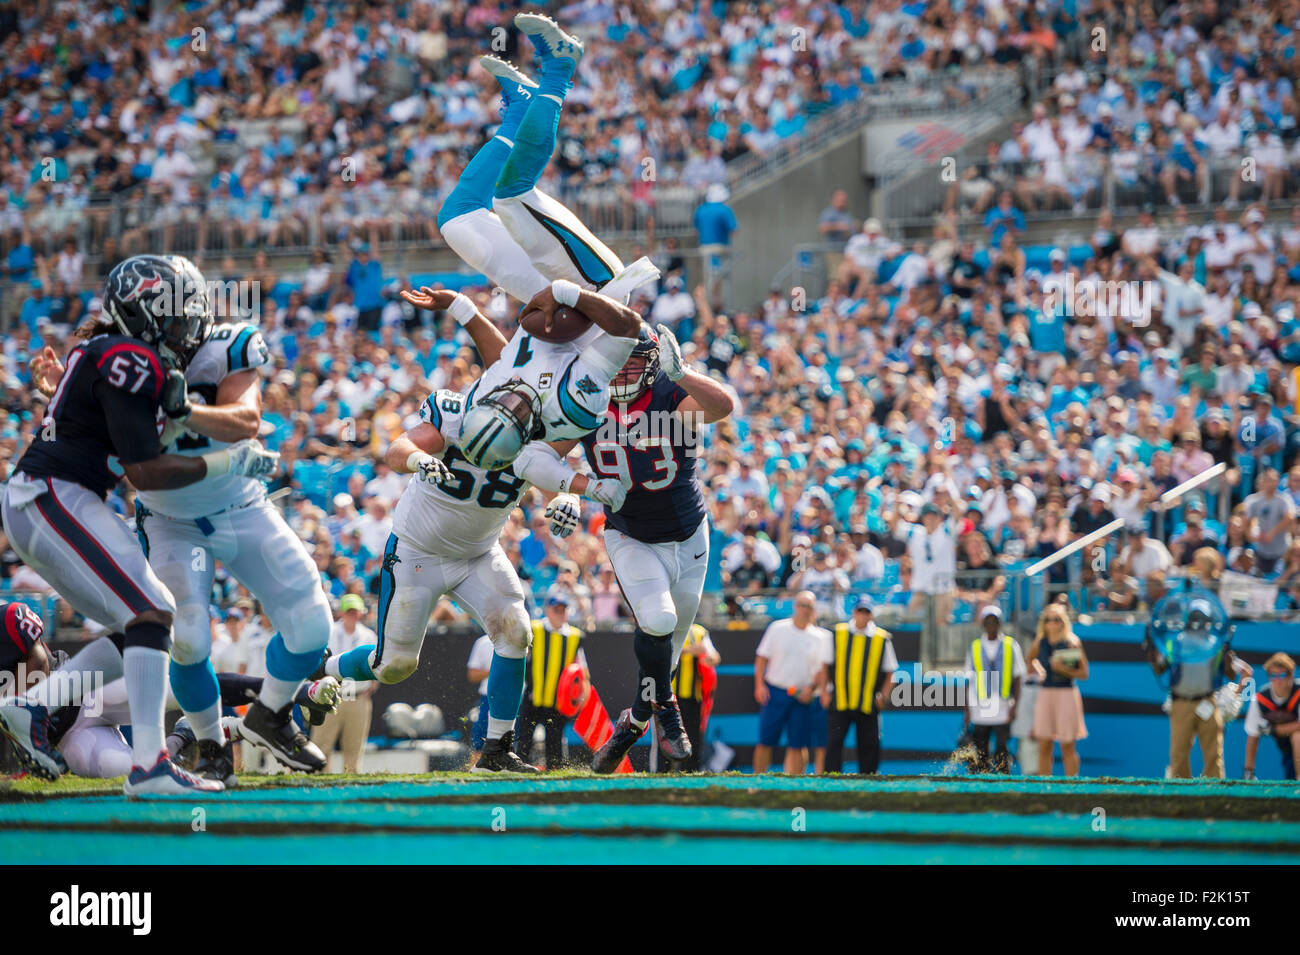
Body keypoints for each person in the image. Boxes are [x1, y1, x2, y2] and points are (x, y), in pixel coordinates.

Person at [0, 255, 275, 796]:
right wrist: (228, 463)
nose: (189, 324)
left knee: (140, 626)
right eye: (177, 312)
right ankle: (147, 766)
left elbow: (95, 423)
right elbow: (144, 471)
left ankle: (35, 706)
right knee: (154, 611)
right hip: (53, 496)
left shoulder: (114, 352)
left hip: (52, 498)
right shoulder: (129, 356)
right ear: (145, 313)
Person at [35, 307, 333, 782]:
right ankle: (212, 744)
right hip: (170, 519)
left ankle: (269, 714)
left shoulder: (225, 346)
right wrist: (69, 393)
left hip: (240, 503)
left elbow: (246, 419)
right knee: (188, 637)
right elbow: (112, 443)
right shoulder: (124, 360)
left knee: (313, 623)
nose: (170, 332)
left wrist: (185, 409)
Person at [512, 323, 737, 773]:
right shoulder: (588, 403)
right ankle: (666, 717)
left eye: (633, 360)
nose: (621, 370)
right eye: (616, 359)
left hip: (691, 537)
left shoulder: (670, 395)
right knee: (659, 620)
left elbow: (722, 405)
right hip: (630, 534)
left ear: (655, 363)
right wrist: (577, 487)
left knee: (666, 656)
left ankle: (633, 724)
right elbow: (531, 457)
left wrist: (685, 373)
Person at [1145, 591, 1242, 779]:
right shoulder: (1177, 643)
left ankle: (1215, 797)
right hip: (1182, 703)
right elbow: (1161, 669)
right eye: (1194, 617)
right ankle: (1181, 800)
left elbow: (1229, 674)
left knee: (1214, 754)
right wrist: (1151, 652)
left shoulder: (1215, 644)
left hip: (1208, 700)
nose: (1198, 621)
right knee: (1178, 755)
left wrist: (1227, 658)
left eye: (1201, 617)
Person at [752, 591, 831, 775]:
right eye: (802, 605)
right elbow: (762, 658)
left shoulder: (822, 636)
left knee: (799, 743)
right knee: (765, 741)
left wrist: (811, 689)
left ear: (814, 609)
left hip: (803, 696)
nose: (805, 610)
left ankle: (795, 785)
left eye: (809, 606)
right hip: (776, 692)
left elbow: (822, 670)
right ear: (795, 606)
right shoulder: (777, 628)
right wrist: (759, 685)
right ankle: (757, 781)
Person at [823, 597, 896, 774]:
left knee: (870, 744)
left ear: (871, 615)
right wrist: (825, 691)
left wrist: (883, 697)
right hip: (840, 699)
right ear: (854, 612)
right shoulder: (838, 632)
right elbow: (824, 664)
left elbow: (890, 672)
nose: (863, 615)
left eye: (867, 612)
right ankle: (831, 780)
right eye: (860, 611)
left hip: (868, 702)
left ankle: (868, 780)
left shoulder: (881, 637)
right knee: (834, 742)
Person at [515, 594, 586, 769]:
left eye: (563, 610)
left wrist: (582, 696)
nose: (560, 614)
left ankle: (555, 779)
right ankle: (517, 771)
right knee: (523, 740)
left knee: (555, 746)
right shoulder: (534, 629)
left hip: (558, 703)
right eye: (556, 610)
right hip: (533, 697)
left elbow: (582, 671)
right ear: (548, 610)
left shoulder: (574, 636)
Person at [313, 594, 378, 774]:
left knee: (354, 749)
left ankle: (351, 790)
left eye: (355, 611)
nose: (352, 615)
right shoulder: (329, 632)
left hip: (358, 698)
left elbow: (377, 665)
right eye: (349, 611)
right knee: (321, 747)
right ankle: (319, 788)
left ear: (361, 613)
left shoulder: (368, 635)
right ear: (341, 612)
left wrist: (374, 684)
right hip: (331, 696)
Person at [1027, 604, 1088, 776]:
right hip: (1046, 693)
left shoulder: (1072, 642)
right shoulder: (1040, 642)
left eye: (1056, 619)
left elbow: (1084, 673)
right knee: (1044, 744)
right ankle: (1045, 788)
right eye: (1048, 619)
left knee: (1067, 745)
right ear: (1044, 623)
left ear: (1063, 622)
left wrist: (1062, 669)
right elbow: (1029, 660)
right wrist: (1040, 672)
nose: (1052, 623)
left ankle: (1072, 787)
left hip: (1066, 694)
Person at [964, 605, 1025, 774]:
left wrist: (1015, 705)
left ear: (1000, 624)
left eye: (994, 621)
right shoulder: (974, 646)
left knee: (1002, 748)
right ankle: (982, 783)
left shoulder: (1011, 645)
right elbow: (968, 679)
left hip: (1003, 706)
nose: (991, 624)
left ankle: (1003, 782)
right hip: (980, 707)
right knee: (981, 748)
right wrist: (967, 710)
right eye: (987, 621)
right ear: (983, 624)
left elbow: (1018, 677)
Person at [662, 622, 720, 772]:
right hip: (669, 695)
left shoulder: (699, 631)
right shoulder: (667, 626)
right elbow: (663, 651)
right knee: (666, 738)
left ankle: (692, 774)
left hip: (694, 696)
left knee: (693, 738)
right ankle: (662, 774)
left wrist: (708, 658)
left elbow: (714, 656)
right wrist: (689, 650)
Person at [1243, 653, 1300, 780]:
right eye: (1273, 675)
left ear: (1291, 675)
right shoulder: (1260, 698)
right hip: (1286, 748)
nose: (1278, 680)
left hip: (1296, 743)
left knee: (1298, 736)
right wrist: (1248, 772)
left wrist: (1274, 729)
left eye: (1283, 675)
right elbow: (1253, 735)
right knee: (1290, 781)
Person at [465, 632, 493, 769]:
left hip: (518, 698)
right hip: (488, 697)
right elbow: (472, 674)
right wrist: (497, 670)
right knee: (480, 739)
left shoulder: (521, 639)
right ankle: (474, 769)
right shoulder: (484, 642)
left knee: (515, 740)